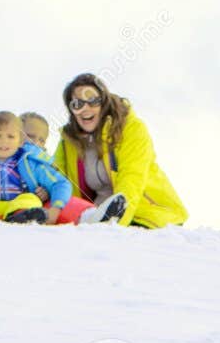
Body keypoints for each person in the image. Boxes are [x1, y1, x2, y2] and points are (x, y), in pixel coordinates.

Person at [51, 74, 187, 229]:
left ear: (104, 103)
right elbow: (54, 177)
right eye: (77, 104)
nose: (85, 109)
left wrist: (114, 224)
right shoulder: (68, 142)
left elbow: (132, 179)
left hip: (147, 214)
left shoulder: (131, 128)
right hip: (96, 217)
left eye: (93, 101)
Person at [20, 108, 126, 225]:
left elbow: (58, 182)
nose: (36, 143)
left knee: (65, 201)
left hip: (35, 206)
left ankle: (93, 215)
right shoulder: (3, 158)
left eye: (41, 140)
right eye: (30, 136)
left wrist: (48, 191)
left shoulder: (40, 163)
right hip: (6, 205)